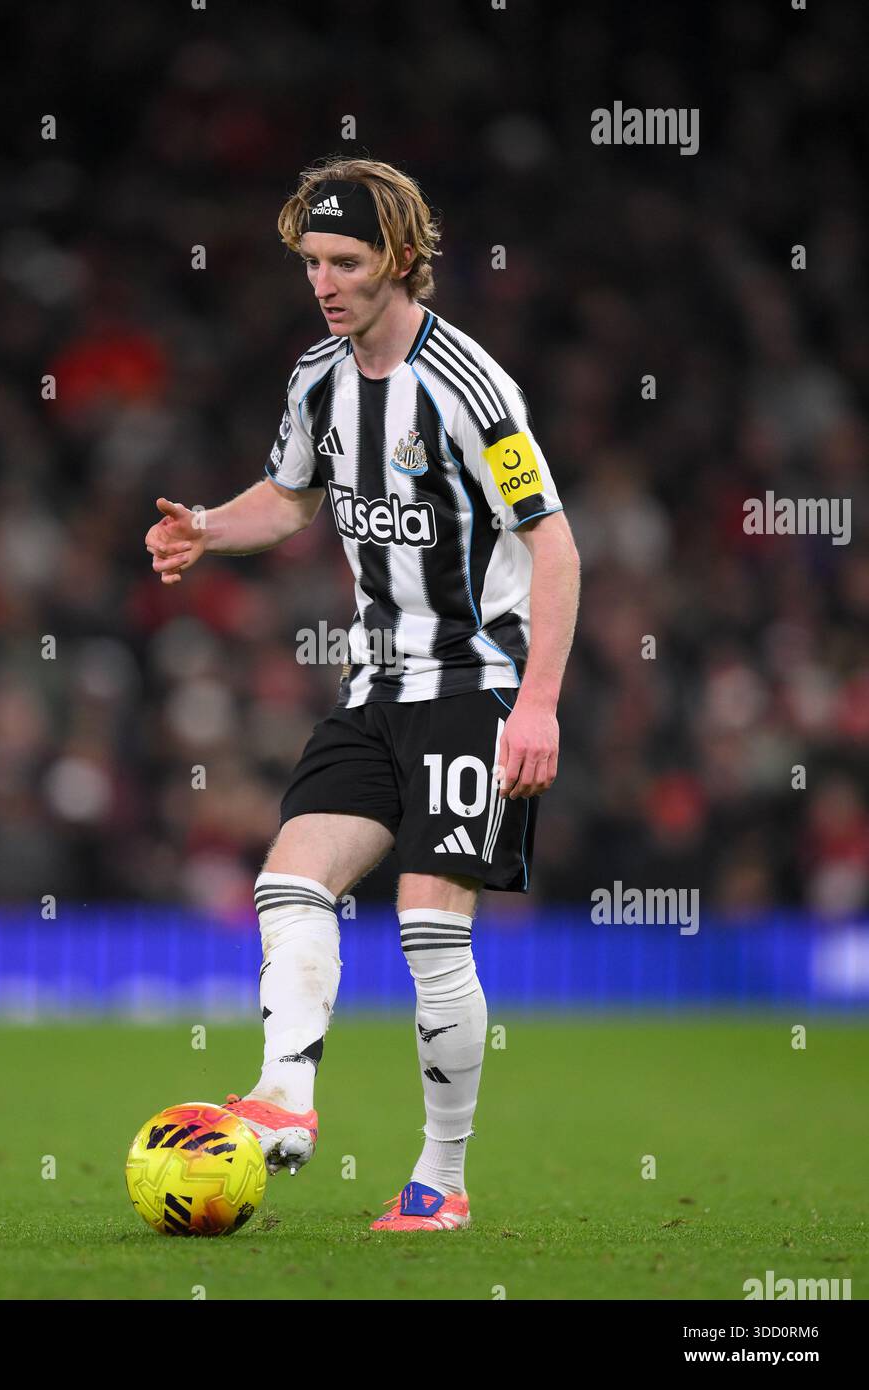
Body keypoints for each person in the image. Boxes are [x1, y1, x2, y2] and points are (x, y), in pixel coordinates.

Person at [144, 157, 581, 1231]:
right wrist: (207, 526)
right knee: (289, 882)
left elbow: (556, 546)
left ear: (397, 260)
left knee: (430, 932)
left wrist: (537, 704)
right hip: (376, 683)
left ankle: (441, 1182)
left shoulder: (468, 387)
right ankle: (286, 1103)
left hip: (476, 683)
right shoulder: (316, 377)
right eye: (311, 264)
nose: (324, 283)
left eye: (344, 262)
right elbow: (291, 500)